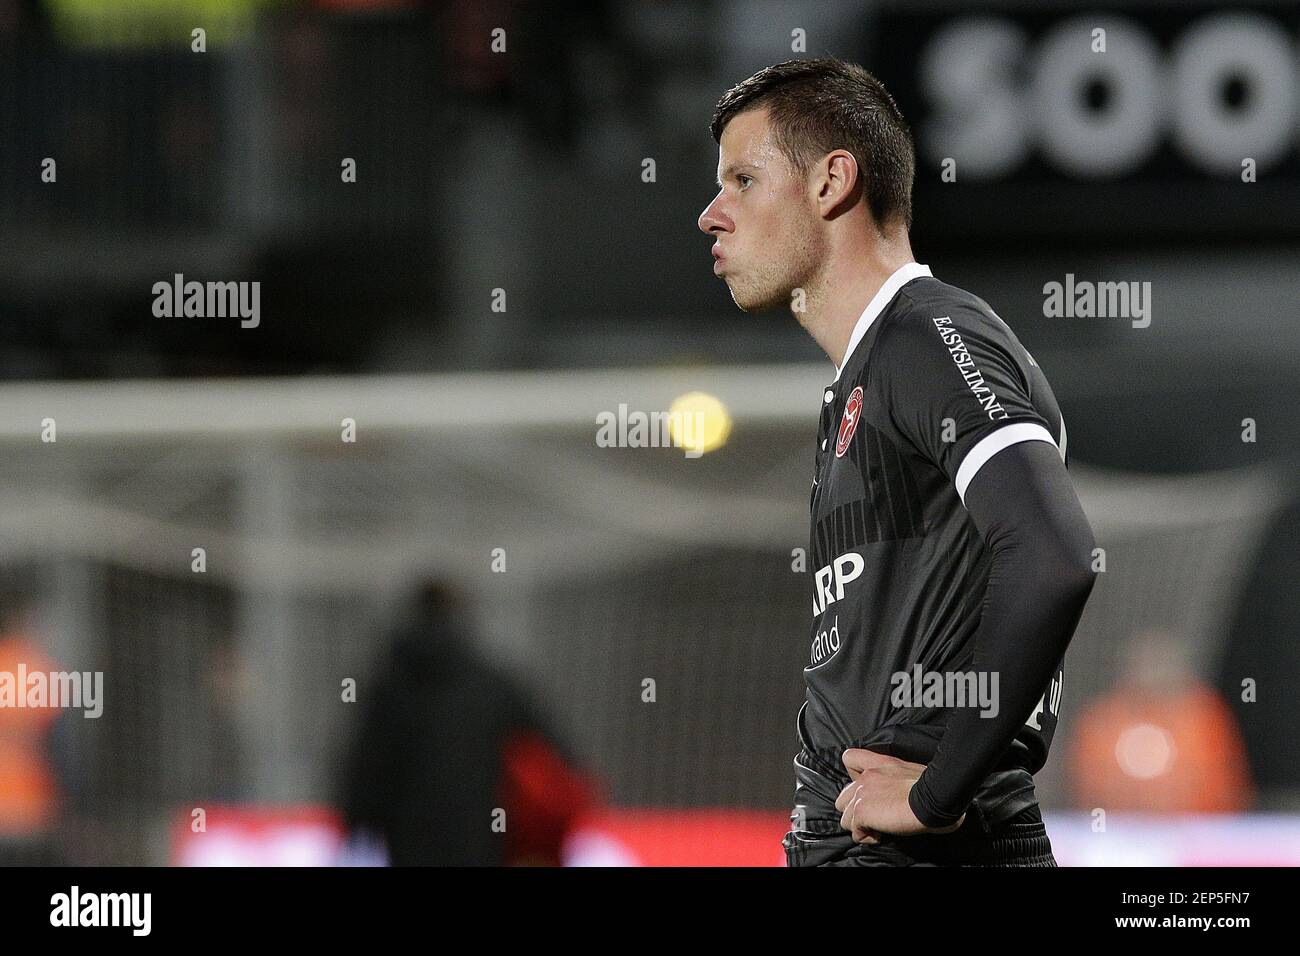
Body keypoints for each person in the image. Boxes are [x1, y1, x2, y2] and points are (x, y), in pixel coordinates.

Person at [697, 58, 1097, 866]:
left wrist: (936, 792)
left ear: (831, 182)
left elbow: (1054, 555)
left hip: (925, 848)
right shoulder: (865, 374)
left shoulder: (927, 336)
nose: (711, 213)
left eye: (742, 179)